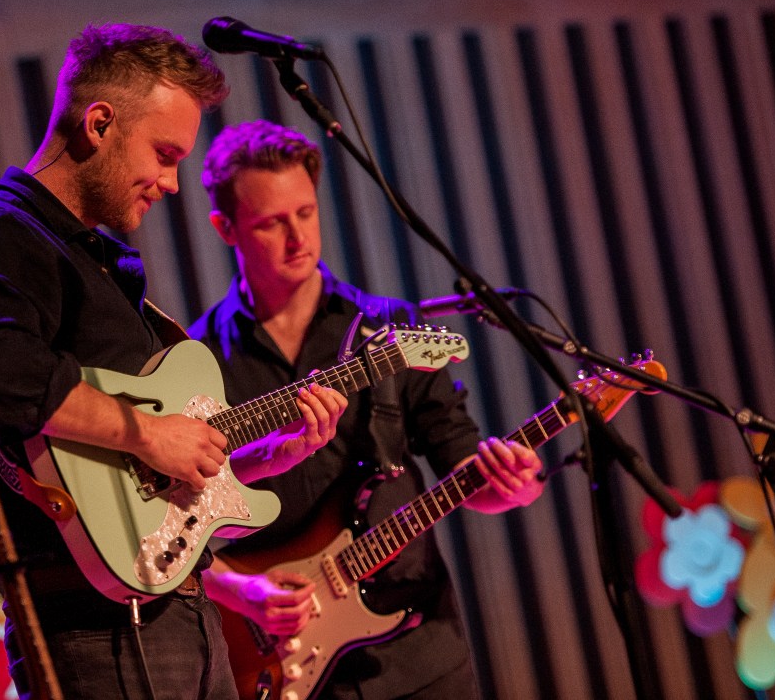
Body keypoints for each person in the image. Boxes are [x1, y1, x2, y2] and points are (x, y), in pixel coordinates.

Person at [0, 27, 347, 700]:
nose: (174, 182)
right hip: (95, 630)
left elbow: (135, 479)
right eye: (165, 153)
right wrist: (154, 433)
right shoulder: (0, 236)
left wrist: (260, 458)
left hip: (175, 607)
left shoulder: (92, 261)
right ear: (99, 123)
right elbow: (3, 378)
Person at [189, 119, 546, 699]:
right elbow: (179, 521)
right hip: (281, 661)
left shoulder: (388, 329)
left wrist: (511, 487)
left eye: (305, 213)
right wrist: (242, 592)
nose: (298, 237)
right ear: (225, 228)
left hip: (421, 653)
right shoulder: (201, 363)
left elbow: (462, 461)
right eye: (272, 223)